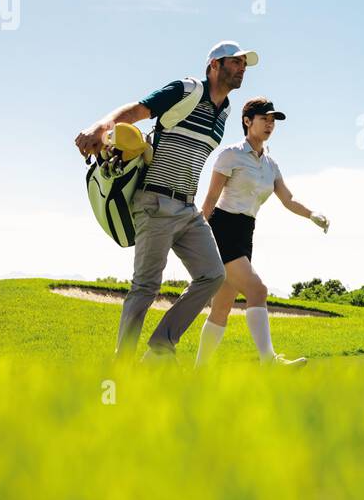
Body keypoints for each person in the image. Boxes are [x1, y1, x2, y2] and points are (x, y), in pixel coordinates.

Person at [74, 41, 257, 363]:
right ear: (215, 65)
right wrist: (99, 127)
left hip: (188, 208)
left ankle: (161, 346)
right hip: (155, 202)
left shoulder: (225, 110)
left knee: (213, 275)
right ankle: (124, 363)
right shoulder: (186, 89)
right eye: (236, 62)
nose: (242, 68)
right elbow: (137, 111)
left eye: (245, 64)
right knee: (146, 286)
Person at [194, 97, 329, 368]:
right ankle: (269, 362)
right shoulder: (230, 154)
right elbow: (210, 199)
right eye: (265, 118)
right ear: (247, 121)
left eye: (273, 120)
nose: (270, 124)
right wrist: (196, 235)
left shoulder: (271, 165)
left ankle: (199, 372)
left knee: (221, 307)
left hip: (245, 233)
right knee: (257, 289)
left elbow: (288, 199)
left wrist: (312, 214)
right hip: (222, 229)